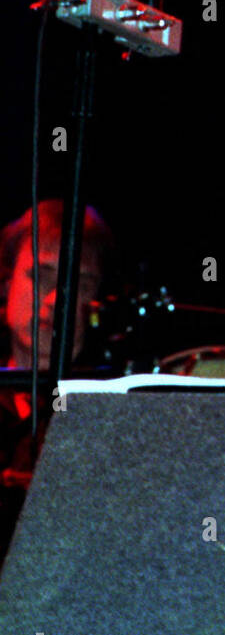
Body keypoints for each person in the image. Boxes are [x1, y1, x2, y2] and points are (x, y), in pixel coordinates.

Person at [0, 200, 113, 559]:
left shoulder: (111, 420)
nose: (54, 299)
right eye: (41, 275)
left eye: (79, 284)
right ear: (6, 286)